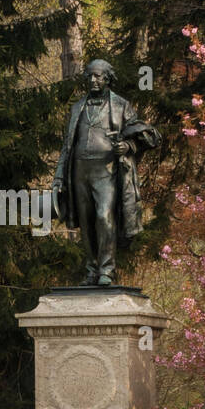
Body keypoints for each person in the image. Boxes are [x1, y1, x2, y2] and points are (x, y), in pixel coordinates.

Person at [52, 59, 158, 287]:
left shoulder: (120, 105)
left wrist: (128, 147)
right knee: (87, 221)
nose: (93, 80)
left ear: (108, 78)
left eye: (98, 76)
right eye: (90, 76)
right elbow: (67, 145)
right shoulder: (77, 107)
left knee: (103, 216)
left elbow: (144, 135)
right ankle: (91, 269)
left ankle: (107, 270)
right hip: (79, 170)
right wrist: (59, 176)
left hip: (107, 170)